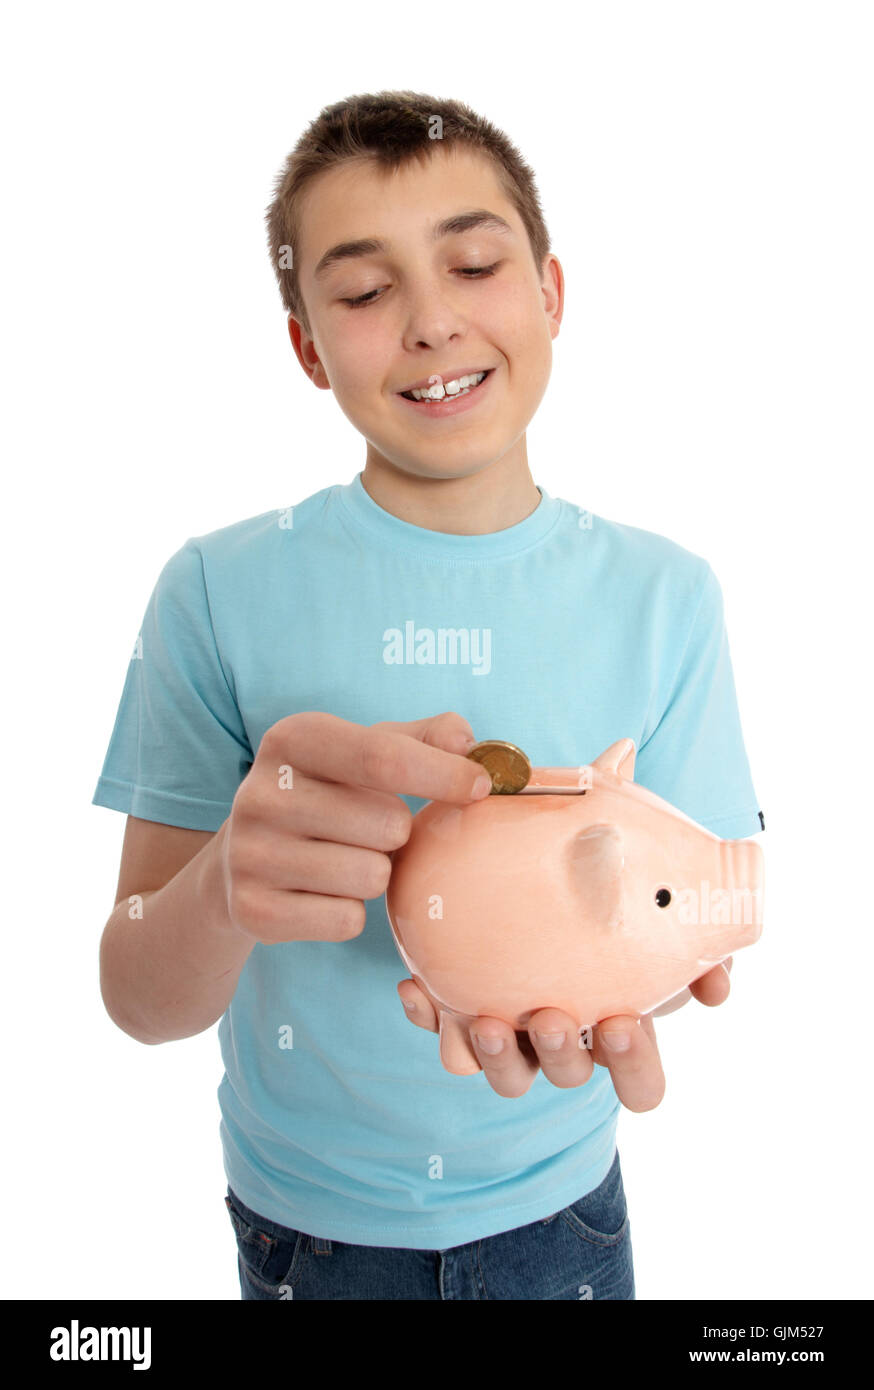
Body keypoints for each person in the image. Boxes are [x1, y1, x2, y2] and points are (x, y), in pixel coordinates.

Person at [92, 90, 763, 1301]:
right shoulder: (213, 591)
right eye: (361, 292)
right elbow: (137, 993)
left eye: (473, 263)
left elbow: (691, 907)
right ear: (305, 345)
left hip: (561, 1217)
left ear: (551, 292)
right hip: (305, 1234)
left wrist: (646, 978)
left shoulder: (668, 595)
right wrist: (227, 881)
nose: (432, 321)